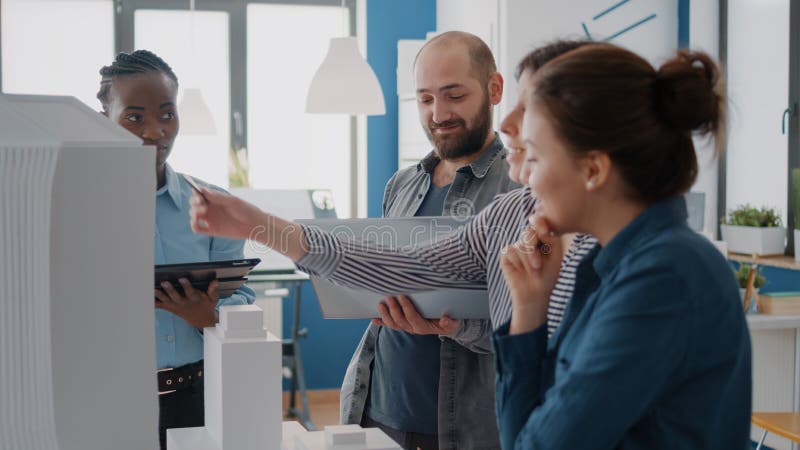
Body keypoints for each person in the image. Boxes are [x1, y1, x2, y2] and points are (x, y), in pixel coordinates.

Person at [494, 43, 751, 449]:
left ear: (594, 169)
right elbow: (525, 436)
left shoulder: (664, 277)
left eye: (537, 157)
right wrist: (529, 309)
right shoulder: (607, 266)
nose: (527, 176)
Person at [338, 31, 517, 450]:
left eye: (454, 95)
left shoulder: (519, 189)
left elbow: (536, 328)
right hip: (378, 409)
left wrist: (457, 327)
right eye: (425, 99)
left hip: (465, 428)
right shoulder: (401, 184)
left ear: (494, 89)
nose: (439, 114)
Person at [96, 50, 256, 450]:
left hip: (198, 396)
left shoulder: (213, 205)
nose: (156, 131)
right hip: (107, 401)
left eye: (167, 114)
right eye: (134, 117)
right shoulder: (80, 208)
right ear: (105, 121)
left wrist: (209, 317)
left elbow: (241, 297)